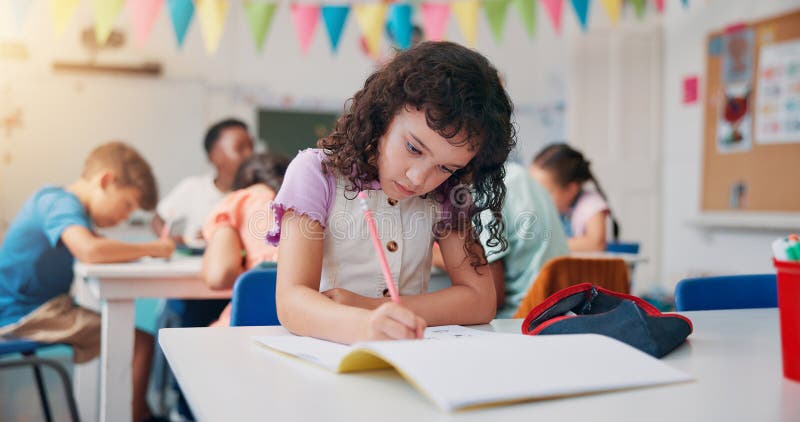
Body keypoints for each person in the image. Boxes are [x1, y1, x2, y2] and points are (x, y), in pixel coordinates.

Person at [269, 41, 515, 344]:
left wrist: (373, 308)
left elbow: (480, 301)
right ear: (384, 113)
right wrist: (364, 325)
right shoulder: (317, 173)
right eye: (413, 148)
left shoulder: (448, 191)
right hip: (325, 353)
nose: (419, 178)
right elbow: (292, 301)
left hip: (409, 357)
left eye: (446, 167)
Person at [0, 141, 174, 422]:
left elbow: (99, 246)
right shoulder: (58, 202)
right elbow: (91, 251)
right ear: (106, 181)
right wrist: (155, 248)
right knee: (140, 343)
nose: (125, 216)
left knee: (130, 337)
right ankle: (138, 416)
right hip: (22, 315)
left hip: (35, 308)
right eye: (127, 204)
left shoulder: (69, 209)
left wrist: (139, 251)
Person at [433, 162, 569, 317]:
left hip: (522, 316)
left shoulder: (483, 189)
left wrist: (433, 256)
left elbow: (493, 295)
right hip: (561, 309)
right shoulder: (519, 175)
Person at [201, 152, 290, 327]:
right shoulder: (304, 201)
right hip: (304, 317)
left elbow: (220, 275)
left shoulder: (239, 200)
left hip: (256, 313)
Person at [151, 118, 254, 248]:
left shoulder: (255, 194)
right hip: (192, 264)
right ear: (214, 156)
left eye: (251, 147)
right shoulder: (193, 188)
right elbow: (157, 220)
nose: (250, 154)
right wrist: (170, 241)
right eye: (240, 148)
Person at [529, 143, 620, 252]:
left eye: (545, 193)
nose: (537, 198)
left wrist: (546, 244)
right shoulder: (543, 210)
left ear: (570, 190)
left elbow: (596, 243)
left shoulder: (591, 205)